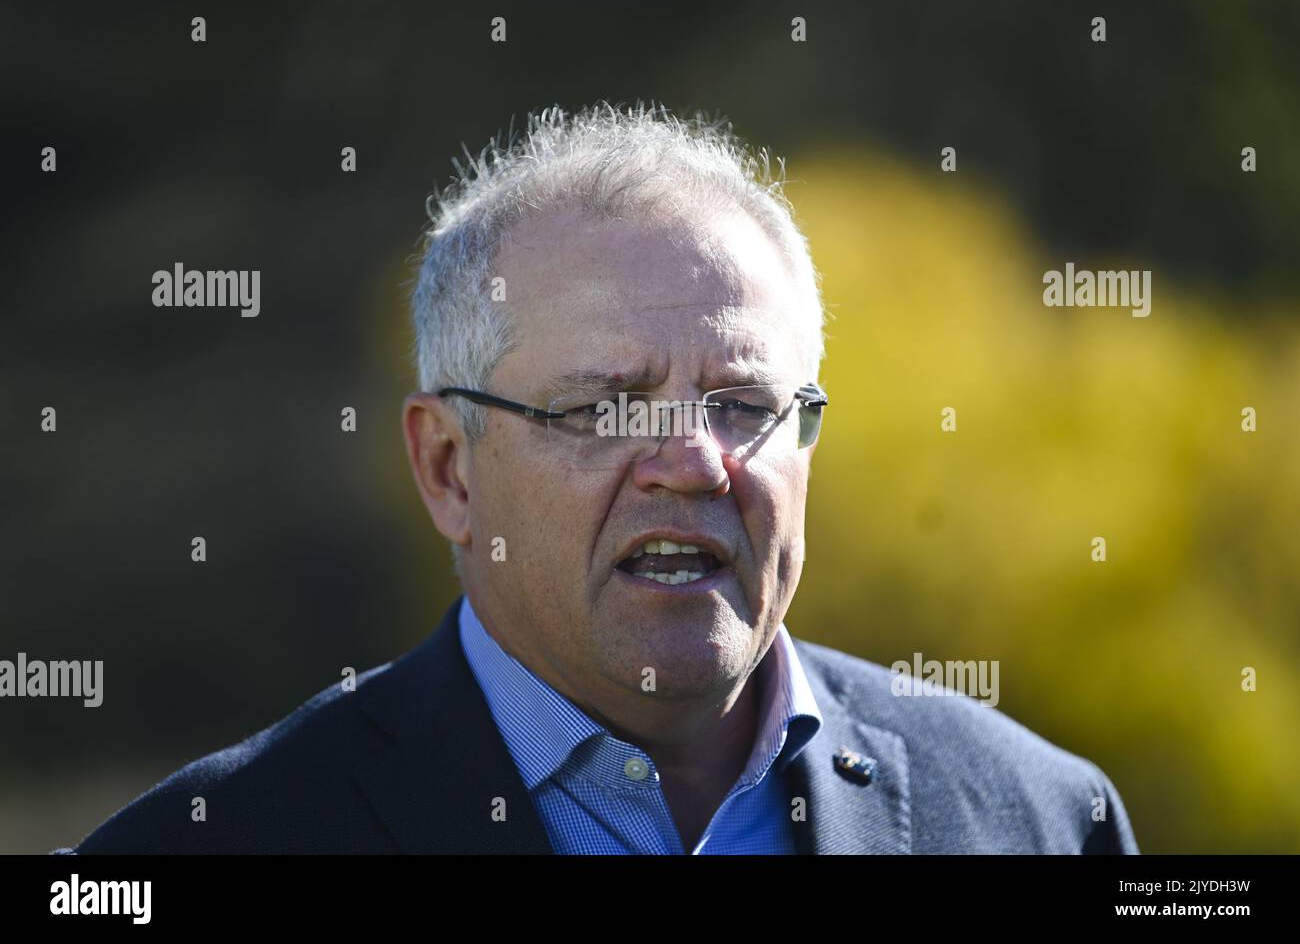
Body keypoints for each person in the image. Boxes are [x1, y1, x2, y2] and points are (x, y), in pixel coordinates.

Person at [55, 101, 1138, 855]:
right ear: (447, 467)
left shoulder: (1038, 820)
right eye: (606, 408)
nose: (695, 462)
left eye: (743, 405)